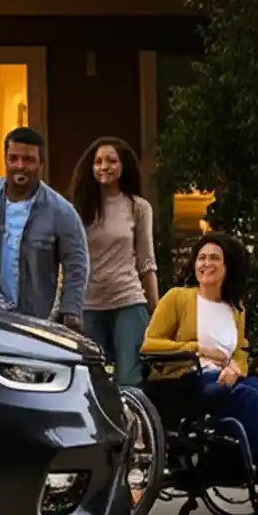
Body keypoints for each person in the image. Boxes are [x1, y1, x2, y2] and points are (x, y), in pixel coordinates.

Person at [142, 232, 258, 515]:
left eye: (214, 257)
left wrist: (236, 367)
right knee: (248, 395)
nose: (206, 263)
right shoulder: (178, 298)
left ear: (227, 266)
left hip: (227, 379)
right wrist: (198, 348)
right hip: (187, 381)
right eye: (201, 258)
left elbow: (241, 350)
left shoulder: (235, 308)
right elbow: (150, 344)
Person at [0, 127, 88, 331]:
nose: (20, 166)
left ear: (41, 164)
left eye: (28, 160)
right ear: (5, 160)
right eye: (13, 158)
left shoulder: (61, 211)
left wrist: (70, 311)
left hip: (34, 320)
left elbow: (77, 263)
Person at [67, 136, 159, 386]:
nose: (103, 167)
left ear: (123, 166)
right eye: (98, 162)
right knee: (93, 380)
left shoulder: (138, 207)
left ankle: (132, 425)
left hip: (128, 300)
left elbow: (146, 262)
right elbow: (70, 263)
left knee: (129, 378)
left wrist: (155, 311)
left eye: (111, 161)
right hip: (89, 304)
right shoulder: (78, 209)